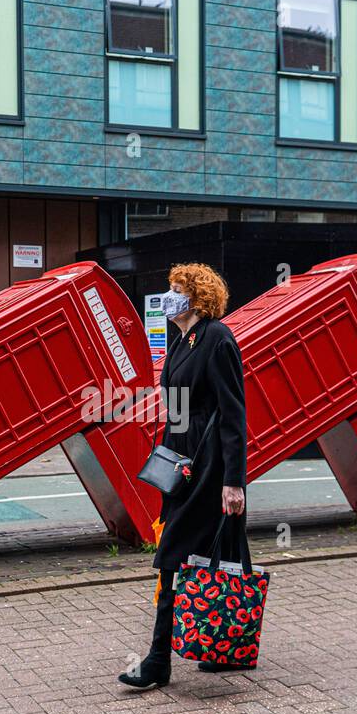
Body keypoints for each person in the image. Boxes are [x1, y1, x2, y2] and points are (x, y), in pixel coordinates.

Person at [119, 263, 247, 690]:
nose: (168, 296)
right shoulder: (180, 342)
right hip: (181, 464)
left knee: (174, 553)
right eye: (169, 288)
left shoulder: (217, 338)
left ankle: (159, 659)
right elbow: (174, 406)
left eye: (176, 289)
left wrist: (234, 480)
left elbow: (233, 413)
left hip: (209, 468)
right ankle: (227, 647)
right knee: (215, 554)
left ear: (197, 298)